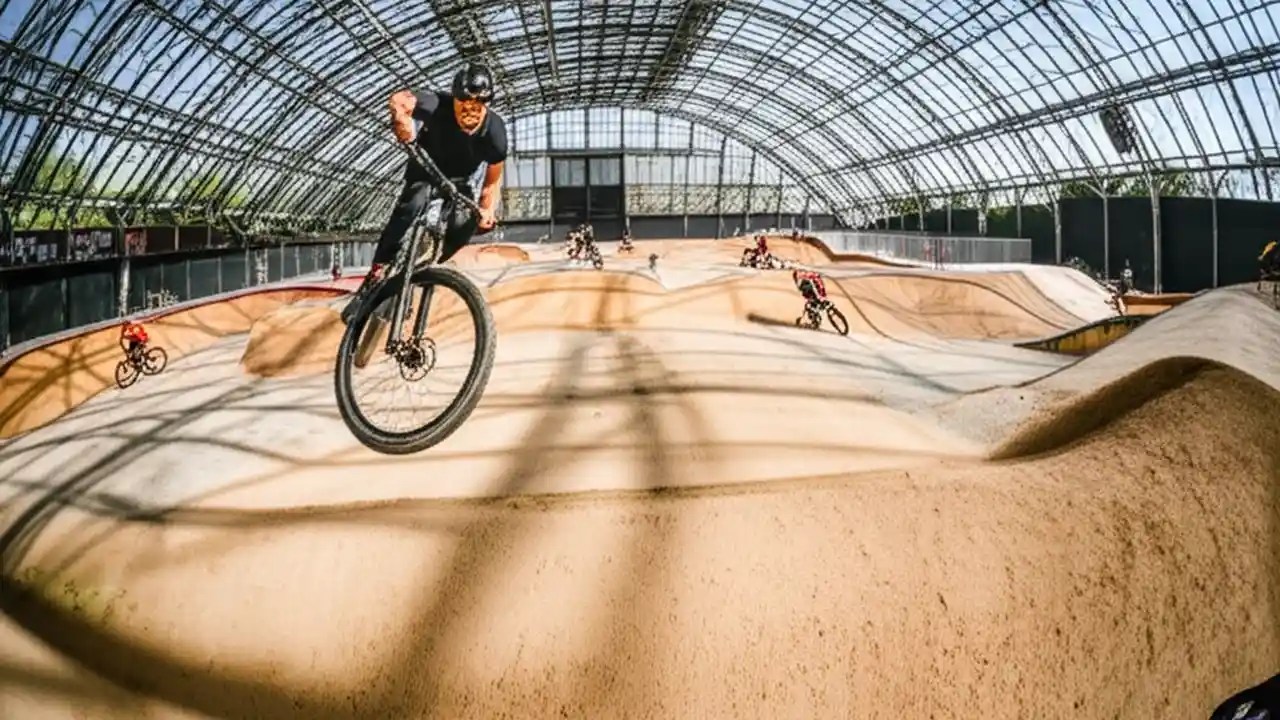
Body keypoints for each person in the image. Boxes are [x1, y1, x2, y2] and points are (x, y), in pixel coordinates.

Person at [343, 61, 508, 324]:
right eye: (463, 104)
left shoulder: (495, 132)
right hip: (425, 171)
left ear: (486, 105)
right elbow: (399, 98)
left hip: (459, 182)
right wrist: (402, 119)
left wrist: (488, 209)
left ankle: (421, 268)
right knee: (412, 204)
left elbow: (492, 180)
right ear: (453, 99)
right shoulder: (437, 104)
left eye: (477, 106)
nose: (470, 112)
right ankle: (377, 272)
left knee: (465, 225)